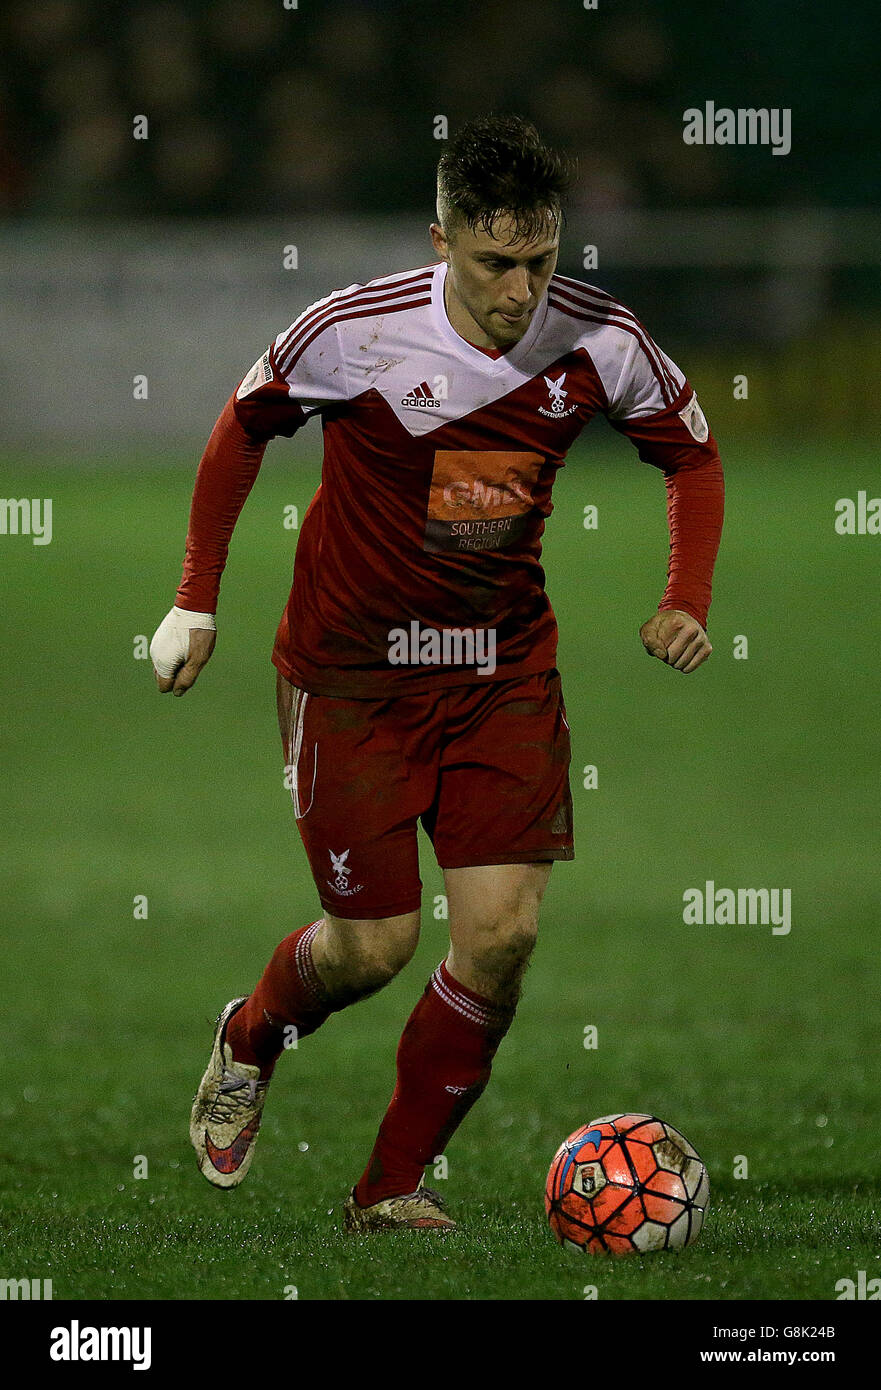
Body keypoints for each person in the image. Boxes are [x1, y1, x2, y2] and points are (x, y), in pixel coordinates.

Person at [150, 114, 724, 1232]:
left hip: (501, 669)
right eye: (495, 262)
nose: (520, 289)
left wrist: (684, 598)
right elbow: (241, 428)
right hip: (352, 674)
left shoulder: (599, 337)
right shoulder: (356, 331)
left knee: (502, 936)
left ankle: (387, 1190)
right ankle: (251, 1035)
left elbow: (690, 450)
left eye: (541, 260)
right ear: (442, 240)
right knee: (372, 947)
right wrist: (193, 596)